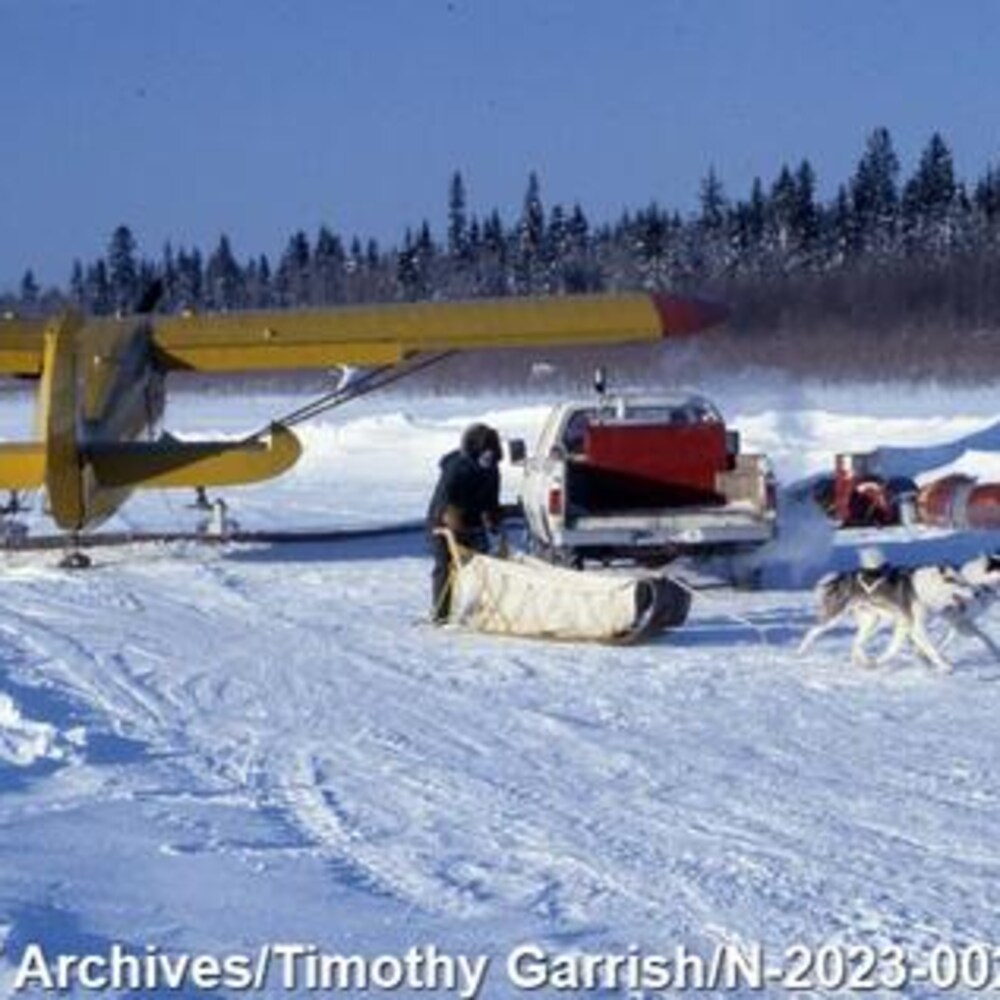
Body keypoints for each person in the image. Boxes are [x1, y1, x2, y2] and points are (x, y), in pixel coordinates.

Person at [426, 423, 504, 622]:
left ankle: (483, 610)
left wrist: (493, 520)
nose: (489, 459)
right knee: (445, 565)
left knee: (483, 565)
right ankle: (441, 614)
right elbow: (445, 502)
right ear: (475, 450)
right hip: (443, 522)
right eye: (485, 454)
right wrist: (452, 525)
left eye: (492, 455)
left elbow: (491, 501)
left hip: (473, 521)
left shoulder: (492, 470)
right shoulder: (456, 468)